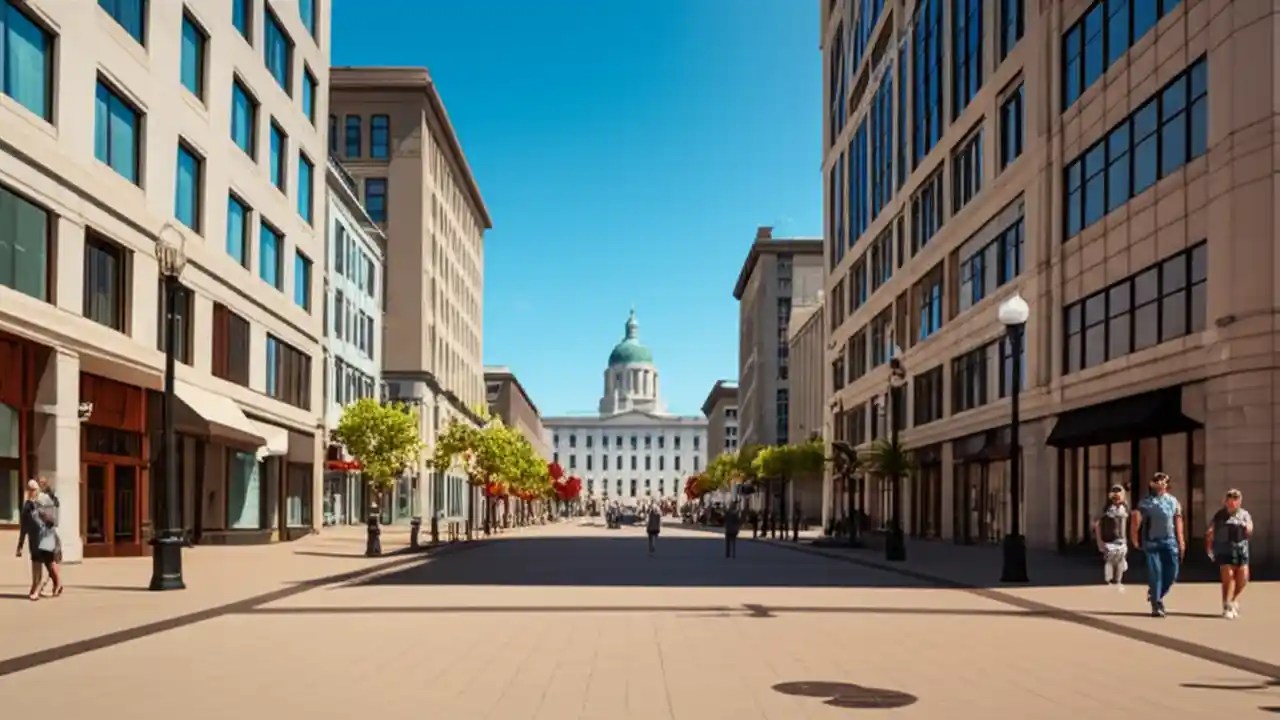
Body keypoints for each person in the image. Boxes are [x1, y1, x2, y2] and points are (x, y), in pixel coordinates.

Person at [1130, 472, 1185, 618]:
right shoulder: (1146, 502)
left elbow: (1178, 520)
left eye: (1163, 482)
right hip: (1152, 542)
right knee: (1156, 573)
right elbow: (1136, 519)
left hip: (1170, 541)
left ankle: (1157, 592)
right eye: (1157, 482)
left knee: (1172, 572)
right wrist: (1134, 537)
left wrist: (1181, 540)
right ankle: (1157, 603)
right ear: (1152, 484)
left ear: (1167, 485)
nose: (1160, 485)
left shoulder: (1173, 501)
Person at [1205, 489, 1253, 619]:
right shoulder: (1220, 515)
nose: (1233, 502)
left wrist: (1245, 527)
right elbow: (1210, 531)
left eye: (1235, 500)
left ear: (1239, 502)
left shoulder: (1244, 514)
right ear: (1226, 501)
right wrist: (1209, 547)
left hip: (1241, 550)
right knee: (1229, 577)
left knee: (1243, 578)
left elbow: (1250, 529)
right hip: (1224, 550)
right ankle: (1227, 605)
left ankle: (1233, 600)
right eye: (1230, 500)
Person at [15, 480, 62, 601]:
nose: (32, 492)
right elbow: (24, 527)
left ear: (38, 490)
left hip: (46, 537)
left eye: (34, 489)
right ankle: (36, 586)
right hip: (34, 539)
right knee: (36, 563)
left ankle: (46, 586)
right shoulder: (27, 506)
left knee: (49, 563)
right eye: (30, 489)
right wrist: (20, 545)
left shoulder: (44, 501)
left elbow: (53, 519)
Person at [1093, 485, 1130, 590]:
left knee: (1120, 564)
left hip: (1122, 542)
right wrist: (1099, 541)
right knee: (1109, 564)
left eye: (1119, 494)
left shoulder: (1125, 510)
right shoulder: (1106, 511)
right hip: (1109, 542)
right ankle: (1109, 582)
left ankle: (1118, 581)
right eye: (1114, 495)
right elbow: (1097, 525)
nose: (1117, 497)